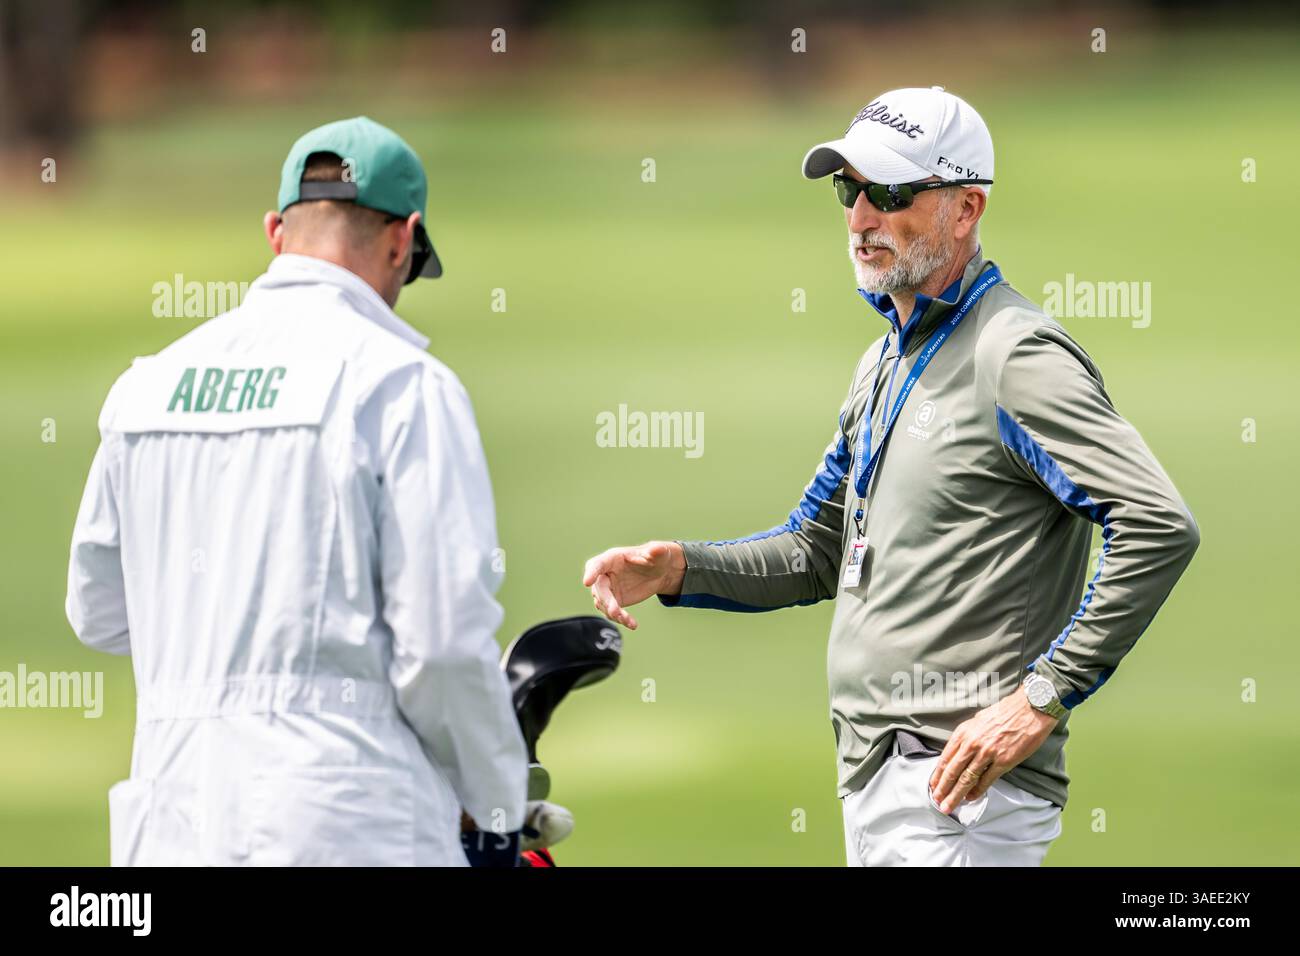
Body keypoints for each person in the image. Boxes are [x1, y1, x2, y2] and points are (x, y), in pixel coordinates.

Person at [582, 87, 1199, 866]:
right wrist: (680, 566)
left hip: (964, 797)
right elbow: (816, 549)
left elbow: (1157, 522)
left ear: (966, 208)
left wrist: (1041, 698)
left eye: (893, 193)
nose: (861, 217)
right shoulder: (883, 361)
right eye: (851, 189)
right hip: (882, 783)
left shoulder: (1015, 355)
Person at [66, 116, 528, 866]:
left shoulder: (145, 387)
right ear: (402, 241)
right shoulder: (404, 386)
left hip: (170, 826)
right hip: (347, 824)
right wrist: (500, 802)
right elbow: (441, 646)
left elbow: (99, 612)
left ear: (275, 232)